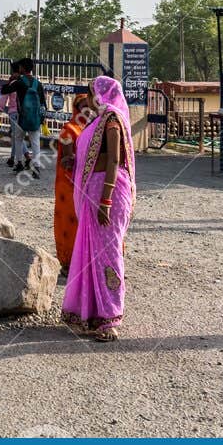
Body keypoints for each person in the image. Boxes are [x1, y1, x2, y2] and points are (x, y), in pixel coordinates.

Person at [61, 75, 135, 343]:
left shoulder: (112, 121)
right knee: (90, 253)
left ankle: (109, 319)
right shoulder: (97, 121)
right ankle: (90, 313)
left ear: (102, 94)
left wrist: (105, 199)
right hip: (93, 191)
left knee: (108, 254)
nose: (90, 99)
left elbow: (115, 159)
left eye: (92, 93)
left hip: (108, 195)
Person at [53, 92, 93, 271]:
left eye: (89, 105)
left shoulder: (90, 128)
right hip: (68, 184)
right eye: (84, 105)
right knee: (69, 222)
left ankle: (82, 261)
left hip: (82, 181)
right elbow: (66, 160)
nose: (88, 109)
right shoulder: (68, 130)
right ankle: (68, 262)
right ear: (77, 108)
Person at [0, 58, 48, 177]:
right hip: (35, 118)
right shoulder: (38, 84)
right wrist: (42, 119)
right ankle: (36, 168)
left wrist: (11, 80)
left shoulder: (19, 81)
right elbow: (43, 103)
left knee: (18, 139)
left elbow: (5, 90)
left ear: (22, 68)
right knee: (35, 142)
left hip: (22, 118)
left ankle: (19, 163)